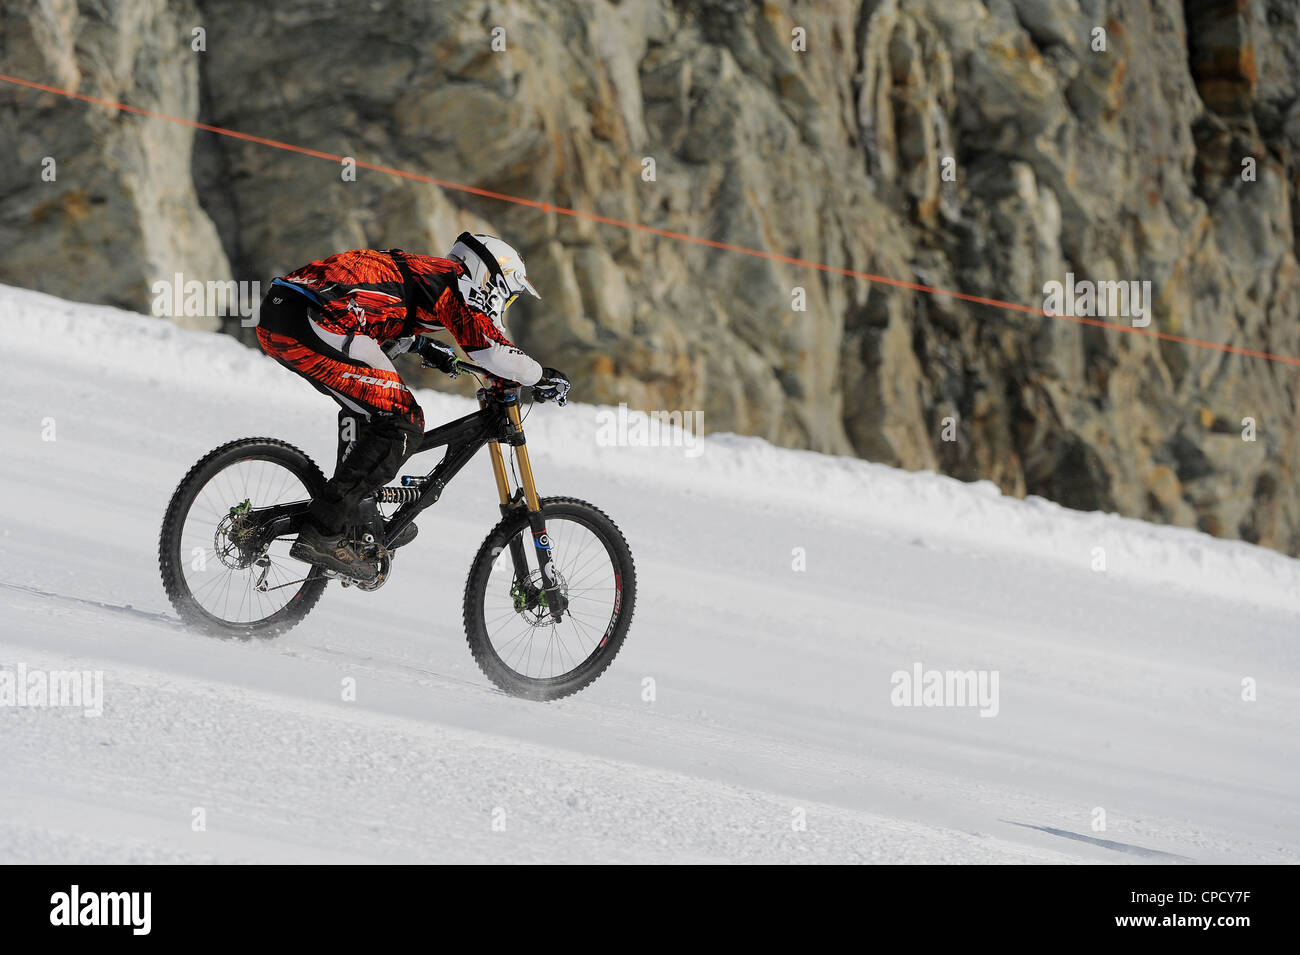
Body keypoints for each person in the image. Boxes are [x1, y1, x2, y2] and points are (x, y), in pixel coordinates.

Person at [254, 232, 569, 578]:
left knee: (374, 406)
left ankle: (360, 513)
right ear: (491, 278)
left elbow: (379, 306)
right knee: (402, 420)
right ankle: (325, 531)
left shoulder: (428, 274)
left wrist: (424, 346)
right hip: (317, 319)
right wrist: (540, 376)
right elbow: (491, 351)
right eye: (507, 298)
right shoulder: (457, 285)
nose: (502, 307)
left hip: (284, 315)